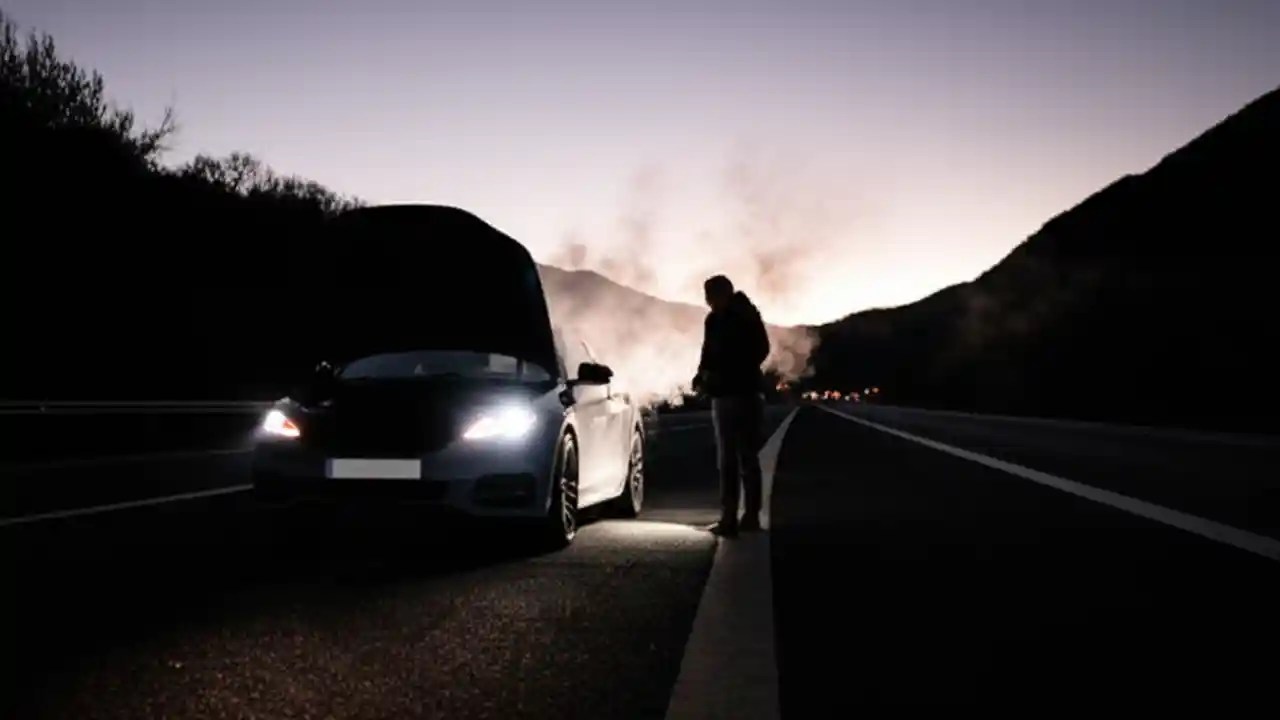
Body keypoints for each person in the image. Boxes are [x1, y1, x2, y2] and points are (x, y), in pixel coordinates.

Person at [692, 274, 770, 537]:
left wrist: (728, 370)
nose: (706, 300)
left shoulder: (746, 315)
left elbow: (761, 350)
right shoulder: (713, 319)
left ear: (722, 293)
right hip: (724, 395)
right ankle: (731, 517)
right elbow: (707, 353)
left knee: (744, 457)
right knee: (729, 459)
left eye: (709, 295)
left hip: (744, 393)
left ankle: (748, 517)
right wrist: (701, 374)